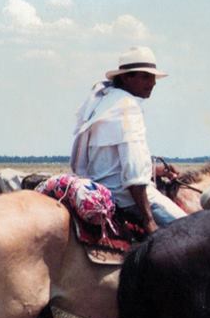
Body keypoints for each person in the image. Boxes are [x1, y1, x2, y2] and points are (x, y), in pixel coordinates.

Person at [70, 46, 187, 234]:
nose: (153, 83)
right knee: (191, 230)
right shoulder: (128, 107)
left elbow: (110, 163)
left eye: (153, 77)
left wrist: (156, 170)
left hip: (99, 188)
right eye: (145, 77)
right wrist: (148, 219)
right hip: (125, 198)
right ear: (126, 77)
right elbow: (134, 172)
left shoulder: (105, 103)